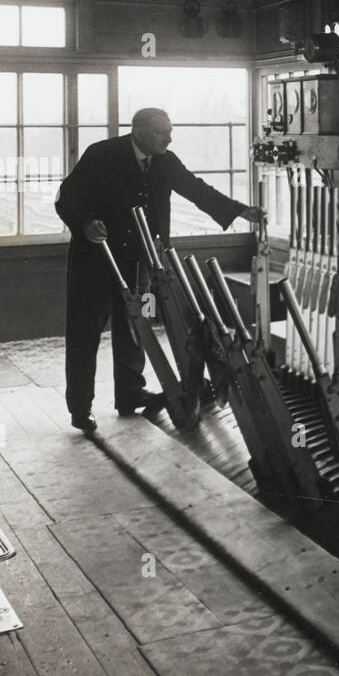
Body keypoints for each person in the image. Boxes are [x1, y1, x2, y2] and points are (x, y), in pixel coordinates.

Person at [54, 107, 265, 432]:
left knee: (135, 327)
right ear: (138, 132)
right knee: (85, 333)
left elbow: (196, 189)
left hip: (140, 261)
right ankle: (80, 408)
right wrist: (84, 223)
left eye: (169, 130)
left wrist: (240, 211)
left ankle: (130, 393)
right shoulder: (102, 154)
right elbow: (66, 196)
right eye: (161, 132)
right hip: (96, 259)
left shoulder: (165, 160)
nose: (169, 137)